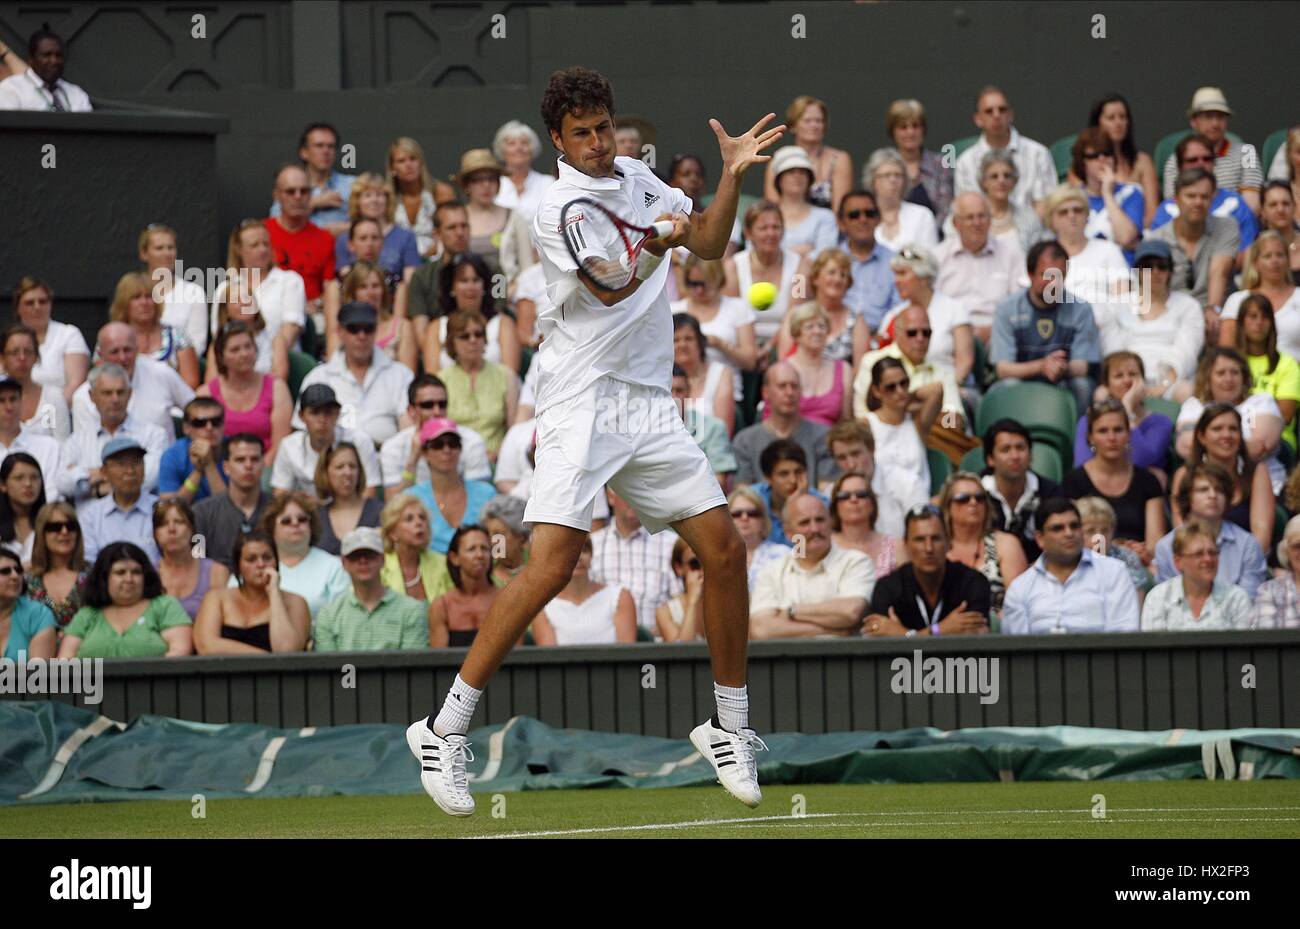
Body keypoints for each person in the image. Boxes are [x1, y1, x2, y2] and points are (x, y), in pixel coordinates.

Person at [411, 67, 780, 816]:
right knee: (549, 564)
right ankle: (442, 729)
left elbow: (707, 244)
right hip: (581, 401)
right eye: (582, 132)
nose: (598, 141)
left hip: (647, 404)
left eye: (605, 126)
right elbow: (613, 283)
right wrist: (660, 242)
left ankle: (729, 726)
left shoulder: (639, 176)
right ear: (556, 140)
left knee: (724, 548)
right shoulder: (557, 207)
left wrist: (731, 179)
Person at [989, 240, 1101, 415]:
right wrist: (1042, 366)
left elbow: (1083, 366)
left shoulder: (1081, 309)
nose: (1053, 283)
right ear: (1030, 274)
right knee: (1006, 386)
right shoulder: (1007, 309)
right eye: (1046, 275)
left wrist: (1062, 368)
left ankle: (1077, 440)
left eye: (1060, 275)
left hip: (1062, 380)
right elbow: (1003, 369)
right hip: (1021, 381)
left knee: (1083, 385)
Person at [1000, 498, 1140, 634]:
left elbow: (1124, 635)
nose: (1069, 533)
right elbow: (1017, 649)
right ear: (1040, 539)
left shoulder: (1113, 572)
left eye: (1074, 526)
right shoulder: (1021, 588)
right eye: (1057, 528)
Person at [749, 493, 875, 639]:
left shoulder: (856, 562)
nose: (814, 528)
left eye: (820, 520)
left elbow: (851, 612)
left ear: (831, 523)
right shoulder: (771, 571)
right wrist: (834, 630)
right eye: (804, 522)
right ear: (788, 533)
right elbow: (761, 629)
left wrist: (791, 611)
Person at [1094, 239, 1203, 398]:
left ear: (1170, 271)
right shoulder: (1116, 305)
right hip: (1126, 379)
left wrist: (1163, 386)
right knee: (1101, 394)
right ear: (1137, 271)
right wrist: (1130, 383)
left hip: (1171, 382)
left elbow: (1186, 352)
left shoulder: (1189, 306)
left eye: (1162, 266)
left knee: (1187, 391)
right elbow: (1113, 354)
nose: (1155, 272)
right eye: (1147, 267)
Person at [296, 301, 413, 447]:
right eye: (354, 329)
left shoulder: (400, 374)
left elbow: (409, 431)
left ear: (376, 330)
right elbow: (302, 432)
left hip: (385, 459)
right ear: (340, 331)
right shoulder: (318, 377)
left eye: (368, 328)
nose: (361, 336)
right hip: (332, 461)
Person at [863, 503, 991, 637]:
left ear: (948, 542)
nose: (928, 548)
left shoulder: (972, 582)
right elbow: (878, 635)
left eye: (935, 539)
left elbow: (975, 638)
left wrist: (904, 635)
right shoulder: (887, 587)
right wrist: (941, 630)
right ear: (906, 544)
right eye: (919, 540)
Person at [1064, 399, 1166, 559]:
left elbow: (1155, 544)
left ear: (1128, 434)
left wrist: (1141, 553)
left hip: (1139, 564)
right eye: (1103, 431)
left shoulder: (1148, 481)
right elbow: (1070, 538)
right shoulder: (1073, 482)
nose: (1111, 438)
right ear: (1090, 437)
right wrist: (1118, 549)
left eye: (1118, 430)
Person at [1175, 350, 1284, 498]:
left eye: (1235, 373)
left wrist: (1214, 447)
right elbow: (1186, 445)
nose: (1228, 379)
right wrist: (1234, 446)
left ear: (1244, 377)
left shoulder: (1259, 403)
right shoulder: (1194, 407)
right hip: (1207, 494)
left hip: (1264, 489)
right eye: (1221, 373)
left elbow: (1261, 445)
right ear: (1208, 378)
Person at [57, 542, 192, 659]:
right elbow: (65, 660)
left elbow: (180, 652)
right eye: (120, 572)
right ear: (104, 578)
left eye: (136, 572)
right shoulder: (87, 615)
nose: (129, 579)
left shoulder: (164, 606)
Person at [1157, 459, 1268, 598]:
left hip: (1236, 617)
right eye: (1203, 489)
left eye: (1219, 490)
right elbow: (1169, 599)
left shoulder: (1248, 544)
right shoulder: (1166, 547)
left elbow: (1249, 600)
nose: (1213, 495)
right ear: (1188, 497)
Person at [210, 217, 306, 374]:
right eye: (254, 245)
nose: (262, 250)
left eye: (266, 244)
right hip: (235, 372)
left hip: (279, 367)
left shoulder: (290, 280)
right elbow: (219, 335)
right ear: (238, 249)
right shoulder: (225, 288)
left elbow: (291, 328)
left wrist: (266, 363)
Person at [1147, 168, 1238, 332]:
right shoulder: (1154, 240)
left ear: (1212, 199)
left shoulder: (1226, 226)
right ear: (1176, 199)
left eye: (1204, 197)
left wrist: (1213, 309)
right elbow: (1146, 292)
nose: (1198, 202)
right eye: (1190, 196)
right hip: (1170, 318)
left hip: (1212, 313)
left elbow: (1220, 271)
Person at [855, 302, 967, 433]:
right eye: (912, 333)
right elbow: (863, 416)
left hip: (931, 445)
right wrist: (927, 406)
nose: (920, 338)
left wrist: (919, 412)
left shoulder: (942, 372)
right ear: (896, 333)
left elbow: (955, 422)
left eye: (926, 333)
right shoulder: (872, 361)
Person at [193, 530, 309, 654]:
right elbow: (206, 646)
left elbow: (287, 651)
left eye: (267, 558)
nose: (261, 564)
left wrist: (274, 593)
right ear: (238, 566)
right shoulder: (217, 598)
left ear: (276, 562)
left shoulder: (295, 602)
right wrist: (264, 658)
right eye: (251, 559)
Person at [315, 526, 429, 652]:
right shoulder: (328, 615)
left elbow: (411, 666)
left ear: (383, 559)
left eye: (370, 555)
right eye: (355, 556)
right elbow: (328, 667)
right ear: (343, 562)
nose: (363, 561)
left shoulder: (411, 611)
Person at [70, 323, 195, 437]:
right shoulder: (83, 397)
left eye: (127, 350)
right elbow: (87, 450)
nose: (122, 357)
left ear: (136, 349)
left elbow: (195, 408)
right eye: (114, 352)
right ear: (100, 354)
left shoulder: (162, 373)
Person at [932, 193, 1027, 343]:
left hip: (999, 331)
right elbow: (932, 304)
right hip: (950, 331)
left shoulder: (1011, 254)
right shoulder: (938, 257)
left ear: (990, 221)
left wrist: (992, 330)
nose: (977, 223)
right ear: (956, 223)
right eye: (969, 218)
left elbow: (1020, 303)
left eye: (982, 216)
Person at [196, 321, 292, 467]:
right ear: (221, 357)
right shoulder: (206, 394)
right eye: (235, 350)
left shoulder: (277, 388)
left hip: (265, 468)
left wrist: (253, 471)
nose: (244, 354)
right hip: (218, 469)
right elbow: (201, 444)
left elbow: (281, 444)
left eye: (248, 347)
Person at [1150, 134, 1257, 262]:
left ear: (1214, 164)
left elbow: (1248, 255)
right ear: (1179, 167)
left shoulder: (1236, 204)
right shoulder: (1165, 210)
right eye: (1192, 160)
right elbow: (1149, 262)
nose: (1200, 164)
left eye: (1207, 159)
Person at [722, 200, 811, 349]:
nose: (771, 233)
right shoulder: (733, 267)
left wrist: (768, 348)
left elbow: (795, 315)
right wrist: (752, 351)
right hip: (743, 347)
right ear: (749, 233)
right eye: (763, 228)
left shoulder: (801, 266)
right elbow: (733, 316)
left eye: (776, 227)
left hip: (787, 344)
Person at [381, 374, 490, 495]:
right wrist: (412, 461)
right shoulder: (392, 447)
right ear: (411, 411)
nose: (437, 412)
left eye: (442, 404)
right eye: (428, 405)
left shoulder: (471, 441)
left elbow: (480, 497)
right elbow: (393, 506)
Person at [939, 471, 1029, 618]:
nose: (973, 502)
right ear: (948, 507)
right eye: (963, 499)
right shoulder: (937, 548)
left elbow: (1020, 604)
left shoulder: (1003, 544)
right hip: (945, 633)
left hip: (997, 631)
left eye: (980, 498)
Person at [953, 86, 1056, 214]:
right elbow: (966, 212)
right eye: (989, 111)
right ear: (978, 119)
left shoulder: (1038, 154)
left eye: (1002, 110)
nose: (996, 115)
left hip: (1033, 231)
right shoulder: (965, 163)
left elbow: (1046, 206)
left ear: (1011, 115)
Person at [732, 362, 836, 487]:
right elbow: (743, 494)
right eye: (782, 386)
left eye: (794, 386)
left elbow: (827, 493)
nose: (789, 392)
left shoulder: (823, 437)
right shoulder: (745, 442)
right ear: (765, 392)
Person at [1160, 87, 1262, 214]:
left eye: (1220, 117)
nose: (1215, 124)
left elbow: (1252, 205)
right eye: (1208, 117)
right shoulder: (1175, 159)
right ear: (1193, 121)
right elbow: (1172, 207)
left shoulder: (1248, 153)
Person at [862, 357, 942, 515]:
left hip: (918, 508)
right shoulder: (866, 424)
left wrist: (907, 398)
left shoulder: (917, 422)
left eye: (903, 383)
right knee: (889, 540)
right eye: (891, 387)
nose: (899, 391)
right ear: (876, 391)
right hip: (882, 511)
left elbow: (937, 390)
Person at [433, 308, 518, 457]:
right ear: (452, 342)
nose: (473, 340)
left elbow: (514, 431)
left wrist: (499, 455)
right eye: (464, 336)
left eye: (478, 334)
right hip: (453, 459)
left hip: (497, 460)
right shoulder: (441, 380)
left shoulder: (506, 375)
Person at [1071, 352, 1173, 474]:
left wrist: (1127, 408)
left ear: (1142, 381)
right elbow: (1082, 466)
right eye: (1118, 376)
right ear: (1106, 385)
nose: (1127, 380)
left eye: (1133, 374)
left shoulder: (1161, 422)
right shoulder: (1088, 421)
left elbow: (1142, 460)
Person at [671, 254, 757, 398]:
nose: (699, 290)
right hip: (678, 392)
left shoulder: (738, 308)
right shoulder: (673, 310)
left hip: (726, 392)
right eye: (693, 283)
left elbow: (750, 362)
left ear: (718, 280)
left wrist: (720, 344)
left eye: (704, 283)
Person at [421, 252, 522, 376]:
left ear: (484, 285)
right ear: (452, 287)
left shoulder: (503, 323)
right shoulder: (436, 328)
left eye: (476, 280)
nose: (471, 287)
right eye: (463, 281)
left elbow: (510, 375)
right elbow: (432, 378)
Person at [1142, 520, 1252, 631]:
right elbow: (1154, 647)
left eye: (1212, 552)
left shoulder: (1236, 598)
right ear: (1178, 561)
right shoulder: (1158, 598)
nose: (1208, 559)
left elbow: (1242, 647)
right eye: (1199, 554)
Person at [978, 419, 1064, 562]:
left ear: (1030, 455)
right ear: (990, 459)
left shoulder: (1050, 493)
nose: (1015, 456)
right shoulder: (975, 495)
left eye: (1020, 448)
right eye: (1006, 449)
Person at [272, 383, 380, 496]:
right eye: (315, 413)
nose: (322, 420)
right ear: (301, 416)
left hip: (350, 509)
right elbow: (280, 496)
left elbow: (369, 492)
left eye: (328, 413)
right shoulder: (289, 446)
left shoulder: (360, 441)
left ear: (337, 414)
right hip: (308, 511)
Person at [408, 417, 496, 555]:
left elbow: (499, 535)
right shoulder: (411, 498)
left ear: (460, 449)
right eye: (438, 445)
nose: (447, 450)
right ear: (424, 453)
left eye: (453, 444)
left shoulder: (487, 493)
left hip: (479, 572)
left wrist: (499, 562)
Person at [1226, 292, 1300, 455]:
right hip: (1230, 434)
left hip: (1277, 439)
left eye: (1264, 317)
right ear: (1242, 323)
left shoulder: (1287, 364)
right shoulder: (1229, 363)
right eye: (1252, 316)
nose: (1258, 323)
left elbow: (1285, 416)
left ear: (1272, 323)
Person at [257, 492, 350, 620]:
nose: (295, 524)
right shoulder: (257, 565)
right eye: (286, 521)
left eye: (302, 519)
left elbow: (343, 619)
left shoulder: (333, 567)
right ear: (271, 527)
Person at [1040, 185, 1128, 318]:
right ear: (1051, 220)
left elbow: (1123, 301)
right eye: (1063, 212)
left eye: (1077, 210)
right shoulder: (1042, 256)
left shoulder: (1109, 250)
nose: (1071, 216)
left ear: (1087, 215)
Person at [532, 536, 637, 646]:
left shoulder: (620, 597)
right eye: (570, 552)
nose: (579, 557)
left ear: (591, 556)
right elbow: (550, 659)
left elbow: (627, 654)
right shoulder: (543, 606)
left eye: (584, 550)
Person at [1078, 94, 1160, 228]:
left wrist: (1135, 233)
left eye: (1123, 117)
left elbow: (1152, 213)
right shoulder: (1084, 162)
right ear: (1098, 122)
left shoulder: (1142, 161)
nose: (1118, 123)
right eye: (1111, 118)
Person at [193, 434, 272, 571]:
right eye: (240, 460)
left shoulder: (279, 510)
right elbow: (196, 561)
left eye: (255, 459)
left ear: (263, 464)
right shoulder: (201, 513)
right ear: (226, 467)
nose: (248, 465)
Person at [455, 148, 533, 287]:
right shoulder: (457, 218)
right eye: (478, 180)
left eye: (491, 179)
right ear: (467, 185)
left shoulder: (515, 217)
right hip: (467, 295)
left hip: (506, 293)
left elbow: (528, 268)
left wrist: (512, 293)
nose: (486, 185)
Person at [108, 271, 199, 388]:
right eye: (136, 297)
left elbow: (190, 384)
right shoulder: (110, 337)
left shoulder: (178, 335)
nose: (144, 303)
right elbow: (102, 380)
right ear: (124, 303)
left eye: (149, 296)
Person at [942, 149, 1043, 255]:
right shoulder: (960, 219)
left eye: (1007, 175)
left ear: (1014, 181)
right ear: (983, 182)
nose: (1001, 181)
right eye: (994, 176)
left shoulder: (1029, 218)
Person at [760, 96, 851, 212]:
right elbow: (772, 209)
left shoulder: (839, 159)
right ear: (793, 126)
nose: (814, 126)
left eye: (819, 121)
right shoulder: (779, 160)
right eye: (807, 121)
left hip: (829, 228)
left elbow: (842, 211)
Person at [265, 163, 338, 307]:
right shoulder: (261, 234)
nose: (297, 197)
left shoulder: (325, 239)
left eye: (304, 191)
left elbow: (330, 288)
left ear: (311, 195)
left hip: (314, 314)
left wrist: (315, 304)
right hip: (268, 312)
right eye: (290, 191)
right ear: (277, 196)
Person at [9, 276, 89, 405]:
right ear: (18, 308)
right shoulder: (8, 340)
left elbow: (76, 383)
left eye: (43, 301)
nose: (37, 307)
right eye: (30, 303)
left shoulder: (69, 334)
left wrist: (48, 412)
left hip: (57, 413)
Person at [79, 436, 160, 562]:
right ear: (104, 473)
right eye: (121, 464)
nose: (130, 470)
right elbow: (89, 564)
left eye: (136, 462)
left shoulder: (161, 509)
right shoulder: (91, 516)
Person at [1220, 233, 1300, 360]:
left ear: (1288, 260)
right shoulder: (1237, 300)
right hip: (1248, 376)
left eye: (1280, 255)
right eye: (1267, 256)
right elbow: (1226, 352)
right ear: (1255, 263)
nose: (1275, 261)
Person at [269, 122, 357, 236]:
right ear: (304, 153)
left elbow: (373, 224)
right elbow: (276, 221)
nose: (326, 151)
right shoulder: (292, 185)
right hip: (301, 250)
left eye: (331, 146)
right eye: (319, 146)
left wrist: (348, 229)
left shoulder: (352, 185)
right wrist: (314, 203)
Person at [326, 261, 417, 370]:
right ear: (353, 292)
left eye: (375, 286)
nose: (370, 292)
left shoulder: (403, 328)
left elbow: (408, 375)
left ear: (383, 290)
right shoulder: (342, 330)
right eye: (363, 287)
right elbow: (332, 370)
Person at [332, 172, 421, 283]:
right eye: (367, 195)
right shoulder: (345, 239)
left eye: (379, 195)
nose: (374, 200)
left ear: (387, 200)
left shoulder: (406, 237)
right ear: (357, 201)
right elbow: (344, 279)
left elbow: (410, 281)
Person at [833, 189, 900, 333]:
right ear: (841, 222)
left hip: (881, 340)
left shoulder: (895, 261)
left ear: (878, 218)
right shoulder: (830, 260)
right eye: (854, 215)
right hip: (835, 338)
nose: (863, 220)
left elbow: (899, 310)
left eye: (869, 214)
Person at [772, 302, 850, 426]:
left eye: (822, 326)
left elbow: (846, 420)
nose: (817, 331)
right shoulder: (782, 370)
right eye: (810, 327)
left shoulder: (843, 369)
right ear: (797, 333)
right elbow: (771, 417)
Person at [139, 223, 211, 355]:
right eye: (159, 248)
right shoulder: (132, 292)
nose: (167, 253)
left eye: (170, 248)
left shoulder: (194, 292)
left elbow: (197, 345)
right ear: (144, 254)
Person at [826, 419, 905, 539]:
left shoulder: (905, 483)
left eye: (855, 454)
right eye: (842, 458)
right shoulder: (831, 494)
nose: (851, 465)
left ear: (871, 449)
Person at [153, 498, 229, 620]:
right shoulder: (147, 574)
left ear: (192, 530)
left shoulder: (216, 572)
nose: (171, 529)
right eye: (163, 524)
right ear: (155, 534)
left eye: (179, 522)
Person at [1071, 127, 1143, 255]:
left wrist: (1107, 194)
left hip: (1122, 270)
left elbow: (1126, 238)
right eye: (1094, 156)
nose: (1102, 159)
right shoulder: (1072, 198)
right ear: (1082, 163)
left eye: (1107, 153)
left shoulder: (1132, 192)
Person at [1075, 495, 1153, 606]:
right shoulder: (1068, 561)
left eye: (1105, 530)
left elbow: (1135, 607)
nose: (1099, 537)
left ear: (1113, 530)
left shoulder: (1127, 558)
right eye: (1090, 531)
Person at [427, 525, 497, 648]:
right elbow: (438, 659)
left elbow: (515, 654)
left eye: (485, 548)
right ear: (455, 558)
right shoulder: (442, 606)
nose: (480, 555)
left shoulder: (506, 599)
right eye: (471, 549)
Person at [747, 439, 827, 546]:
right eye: (784, 474)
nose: (793, 480)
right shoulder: (751, 500)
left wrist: (794, 506)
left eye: (798, 472)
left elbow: (801, 550)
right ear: (768, 478)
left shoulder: (821, 504)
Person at [388, 136, 457, 259]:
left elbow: (452, 230)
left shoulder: (440, 192)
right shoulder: (387, 197)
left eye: (413, 159)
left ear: (421, 162)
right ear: (392, 168)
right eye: (401, 161)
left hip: (437, 259)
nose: (408, 165)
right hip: (398, 262)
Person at [887, 98, 954, 222]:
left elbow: (947, 210)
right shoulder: (884, 166)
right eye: (903, 127)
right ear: (893, 132)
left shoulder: (940, 164)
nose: (910, 132)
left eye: (916, 126)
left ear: (923, 129)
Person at [25, 501, 89, 630]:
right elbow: (18, 634)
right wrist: (21, 652)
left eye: (71, 526)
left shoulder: (94, 575)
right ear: (42, 533)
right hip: (37, 649)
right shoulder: (27, 580)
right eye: (55, 527)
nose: (64, 532)